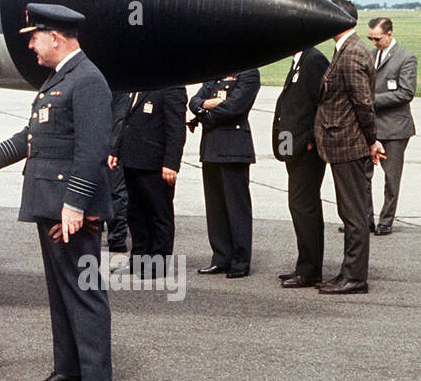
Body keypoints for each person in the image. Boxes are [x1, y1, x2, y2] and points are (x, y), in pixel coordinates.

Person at [0, 3, 114, 381]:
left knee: (84, 290)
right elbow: (34, 135)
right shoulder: (60, 80)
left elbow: (92, 149)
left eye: (35, 37)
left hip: (71, 208)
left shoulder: (87, 81)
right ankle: (69, 369)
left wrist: (76, 204)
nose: (30, 45)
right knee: (61, 290)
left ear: (56, 38)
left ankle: (97, 380)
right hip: (51, 204)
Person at [314, 0, 384, 295]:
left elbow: (364, 104)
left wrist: (372, 140)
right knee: (348, 212)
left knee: (354, 215)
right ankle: (347, 272)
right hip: (342, 144)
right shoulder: (345, 49)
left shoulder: (353, 53)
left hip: (349, 145)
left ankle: (356, 278)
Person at [189, 70, 260, 277]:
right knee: (215, 206)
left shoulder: (248, 73)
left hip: (234, 148)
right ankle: (221, 257)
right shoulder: (217, 71)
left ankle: (240, 261)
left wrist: (205, 112)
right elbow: (194, 100)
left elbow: (235, 106)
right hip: (211, 148)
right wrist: (204, 106)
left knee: (236, 207)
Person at [108, 88, 186, 279]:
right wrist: (116, 151)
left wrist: (171, 163)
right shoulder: (140, 86)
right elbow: (126, 122)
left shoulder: (171, 87)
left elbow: (176, 128)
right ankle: (139, 259)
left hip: (155, 163)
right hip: (132, 160)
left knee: (159, 215)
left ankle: (158, 265)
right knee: (136, 215)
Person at [271, 47, 329, 287]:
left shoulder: (314, 61)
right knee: (299, 207)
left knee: (304, 207)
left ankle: (309, 271)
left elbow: (321, 104)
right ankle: (305, 265)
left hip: (306, 151)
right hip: (293, 148)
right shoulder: (299, 61)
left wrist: (311, 141)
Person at [366, 17, 417, 236]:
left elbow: (406, 92)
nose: (374, 42)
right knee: (363, 175)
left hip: (395, 128)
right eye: (371, 38)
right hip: (371, 127)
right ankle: (364, 220)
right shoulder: (370, 55)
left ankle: (386, 220)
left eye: (377, 38)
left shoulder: (406, 58)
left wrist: (371, 100)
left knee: (391, 177)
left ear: (389, 34)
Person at [105, 92, 132, 257]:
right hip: (105, 144)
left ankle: (117, 240)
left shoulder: (118, 89)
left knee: (116, 193)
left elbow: (119, 120)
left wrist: (114, 149)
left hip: (112, 148)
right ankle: (114, 238)